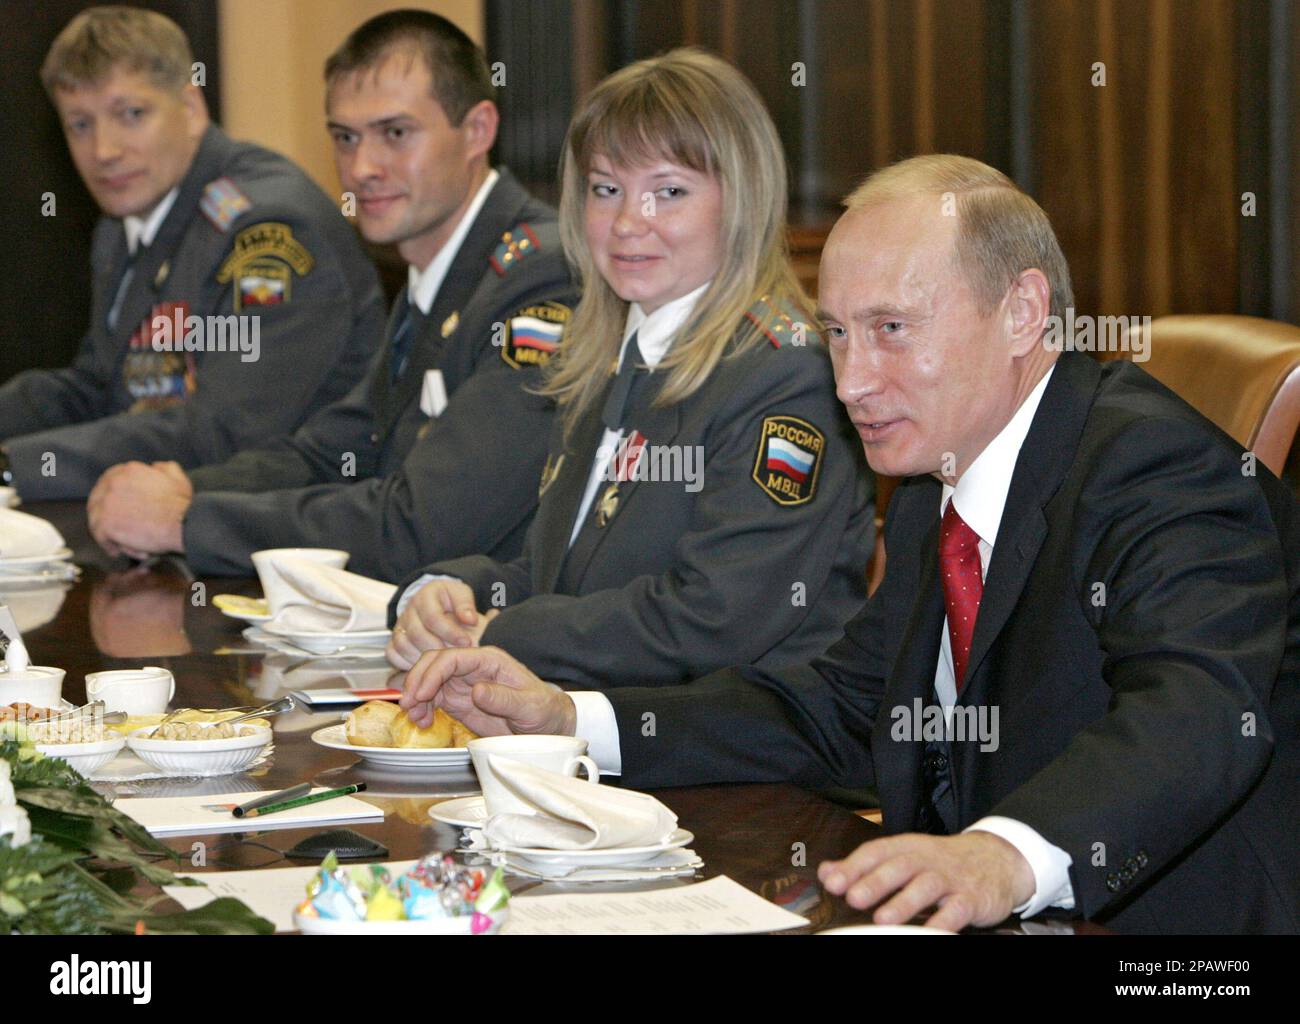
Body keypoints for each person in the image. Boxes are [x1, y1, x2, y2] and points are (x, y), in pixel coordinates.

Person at [395, 155, 1300, 935]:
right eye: (835, 333)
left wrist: (1001, 855)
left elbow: (1201, 711)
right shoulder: (933, 488)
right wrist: (574, 718)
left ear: (1023, 312)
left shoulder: (1152, 463)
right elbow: (839, 713)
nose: (854, 380)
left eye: (892, 330)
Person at [388, 49, 873, 687]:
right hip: (591, 733)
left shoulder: (785, 378)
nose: (625, 223)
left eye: (668, 192)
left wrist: (503, 633)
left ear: (742, 200)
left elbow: (712, 620)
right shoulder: (610, 354)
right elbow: (552, 576)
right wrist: (446, 591)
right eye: (606, 188)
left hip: (730, 762)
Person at [83, 10, 576, 580]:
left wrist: (188, 521)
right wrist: (182, 486)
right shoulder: (437, 268)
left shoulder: (542, 279)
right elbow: (330, 455)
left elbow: (421, 526)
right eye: (345, 137)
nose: (362, 167)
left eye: (395, 133)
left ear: (477, 131)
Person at [0, 6, 384, 500]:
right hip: (170, 508)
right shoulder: (127, 221)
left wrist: (15, 467)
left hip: (277, 530)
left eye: (130, 115)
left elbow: (223, 431)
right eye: (79, 124)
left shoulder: (267, 234)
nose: (103, 151)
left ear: (191, 106)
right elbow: (98, 387)